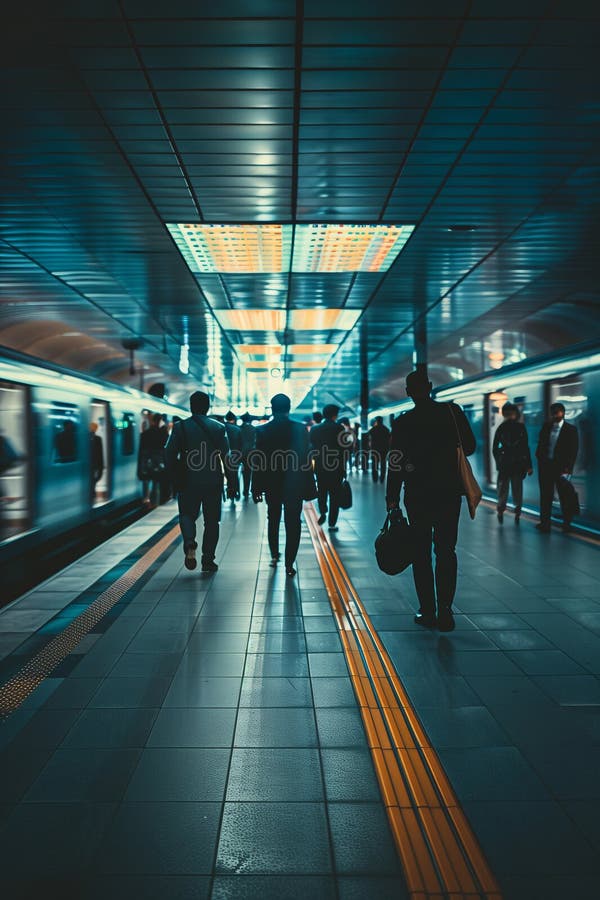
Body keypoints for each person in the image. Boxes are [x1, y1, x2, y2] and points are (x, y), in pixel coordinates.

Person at [386, 369, 476, 632]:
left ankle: (427, 611)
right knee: (446, 550)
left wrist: (392, 499)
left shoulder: (403, 422)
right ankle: (446, 611)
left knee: (421, 553)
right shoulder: (452, 412)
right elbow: (469, 447)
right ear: (430, 386)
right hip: (448, 493)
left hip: (418, 495)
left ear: (407, 392)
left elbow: (396, 463)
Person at [165, 391, 230, 572]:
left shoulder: (180, 427)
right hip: (213, 480)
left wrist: (173, 475)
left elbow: (169, 453)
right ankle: (208, 560)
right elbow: (227, 456)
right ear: (208, 407)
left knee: (187, 514)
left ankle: (190, 543)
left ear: (191, 407)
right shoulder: (218, 428)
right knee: (211, 522)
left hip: (187, 479)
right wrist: (232, 482)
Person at [252, 393, 315, 577]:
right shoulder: (300, 429)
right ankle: (289, 564)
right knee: (293, 523)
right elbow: (306, 459)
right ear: (289, 408)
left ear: (272, 408)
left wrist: (256, 487)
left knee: (273, 518)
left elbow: (259, 462)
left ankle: (274, 555)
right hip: (294, 484)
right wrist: (310, 486)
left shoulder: (262, 430)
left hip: (272, 483)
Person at [535, 402, 579, 533]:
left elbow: (573, 450)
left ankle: (567, 524)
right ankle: (545, 523)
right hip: (546, 466)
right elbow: (541, 444)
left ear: (563, 413)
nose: (555, 415)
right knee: (545, 496)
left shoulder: (570, 429)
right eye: (553, 412)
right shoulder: (546, 427)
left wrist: (568, 469)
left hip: (562, 469)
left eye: (557, 412)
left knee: (564, 496)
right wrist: (540, 459)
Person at [492, 403, 532, 525]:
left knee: (503, 490)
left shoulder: (501, 428)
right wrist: (528, 466)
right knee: (516, 490)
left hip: (506, 465)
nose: (509, 416)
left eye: (510, 413)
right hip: (517, 465)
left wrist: (499, 461)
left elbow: (495, 448)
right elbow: (525, 448)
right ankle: (516, 513)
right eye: (508, 414)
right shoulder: (521, 428)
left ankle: (501, 511)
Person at [310, 404, 347, 531]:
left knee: (322, 490)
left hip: (320, 466)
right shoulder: (339, 428)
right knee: (335, 495)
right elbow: (344, 449)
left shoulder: (315, 429)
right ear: (334, 415)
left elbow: (311, 448)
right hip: (336, 467)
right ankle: (332, 523)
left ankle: (323, 511)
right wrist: (344, 468)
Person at [137, 413, 168, 506]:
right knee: (156, 483)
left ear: (153, 421)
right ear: (160, 421)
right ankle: (155, 503)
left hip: (147, 461)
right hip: (158, 462)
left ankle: (145, 500)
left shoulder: (146, 433)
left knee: (146, 481)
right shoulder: (163, 434)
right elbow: (165, 449)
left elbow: (141, 450)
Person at [224, 411, 242, 503]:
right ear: (234, 419)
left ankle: (230, 491)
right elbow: (240, 444)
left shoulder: (222, 427)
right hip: (235, 456)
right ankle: (235, 491)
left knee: (227, 474)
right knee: (234, 474)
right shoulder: (237, 429)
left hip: (224, 456)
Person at [367, 416, 390, 483]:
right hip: (384, 449)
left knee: (374, 464)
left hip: (375, 450)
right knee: (383, 464)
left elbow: (369, 439)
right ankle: (382, 479)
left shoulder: (373, 429)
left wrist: (369, 448)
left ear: (376, 421)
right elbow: (389, 440)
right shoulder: (386, 429)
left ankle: (375, 478)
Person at [240, 412, 256, 499]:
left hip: (241, 453)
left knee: (243, 473)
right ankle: (250, 490)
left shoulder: (239, 429)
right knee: (251, 473)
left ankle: (243, 490)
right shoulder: (253, 429)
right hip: (251, 453)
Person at [89, 422, 104, 501]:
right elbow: (100, 453)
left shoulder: (85, 438)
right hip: (95, 464)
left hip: (93, 464)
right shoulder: (98, 439)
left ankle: (91, 494)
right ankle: (92, 494)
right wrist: (101, 465)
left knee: (92, 480)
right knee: (93, 480)